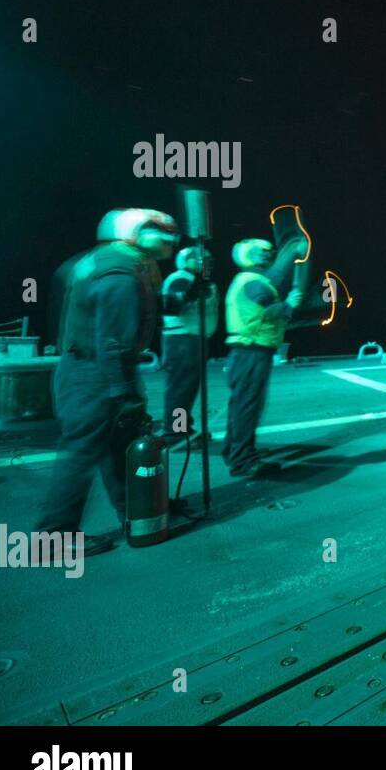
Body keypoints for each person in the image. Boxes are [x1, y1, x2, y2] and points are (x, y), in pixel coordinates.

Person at [36, 208, 179, 556]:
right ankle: (52, 537)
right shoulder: (121, 273)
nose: (169, 240)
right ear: (135, 233)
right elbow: (113, 342)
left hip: (83, 369)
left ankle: (136, 513)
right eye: (158, 231)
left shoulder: (96, 261)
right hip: (96, 376)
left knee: (118, 449)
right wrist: (124, 392)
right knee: (81, 454)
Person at [222, 237, 305, 477]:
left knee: (240, 405)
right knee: (248, 407)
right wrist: (288, 303)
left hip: (247, 351)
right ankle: (243, 461)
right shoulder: (253, 282)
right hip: (252, 351)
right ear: (248, 255)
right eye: (262, 251)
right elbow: (269, 310)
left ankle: (234, 451)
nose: (268, 253)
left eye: (270, 250)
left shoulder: (249, 280)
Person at [160, 246, 218, 438]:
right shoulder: (180, 279)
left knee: (188, 388)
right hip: (181, 339)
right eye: (200, 258)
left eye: (208, 259)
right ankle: (175, 431)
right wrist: (192, 292)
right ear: (186, 260)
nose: (205, 262)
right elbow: (171, 306)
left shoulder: (195, 280)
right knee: (181, 388)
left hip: (191, 339)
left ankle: (183, 427)